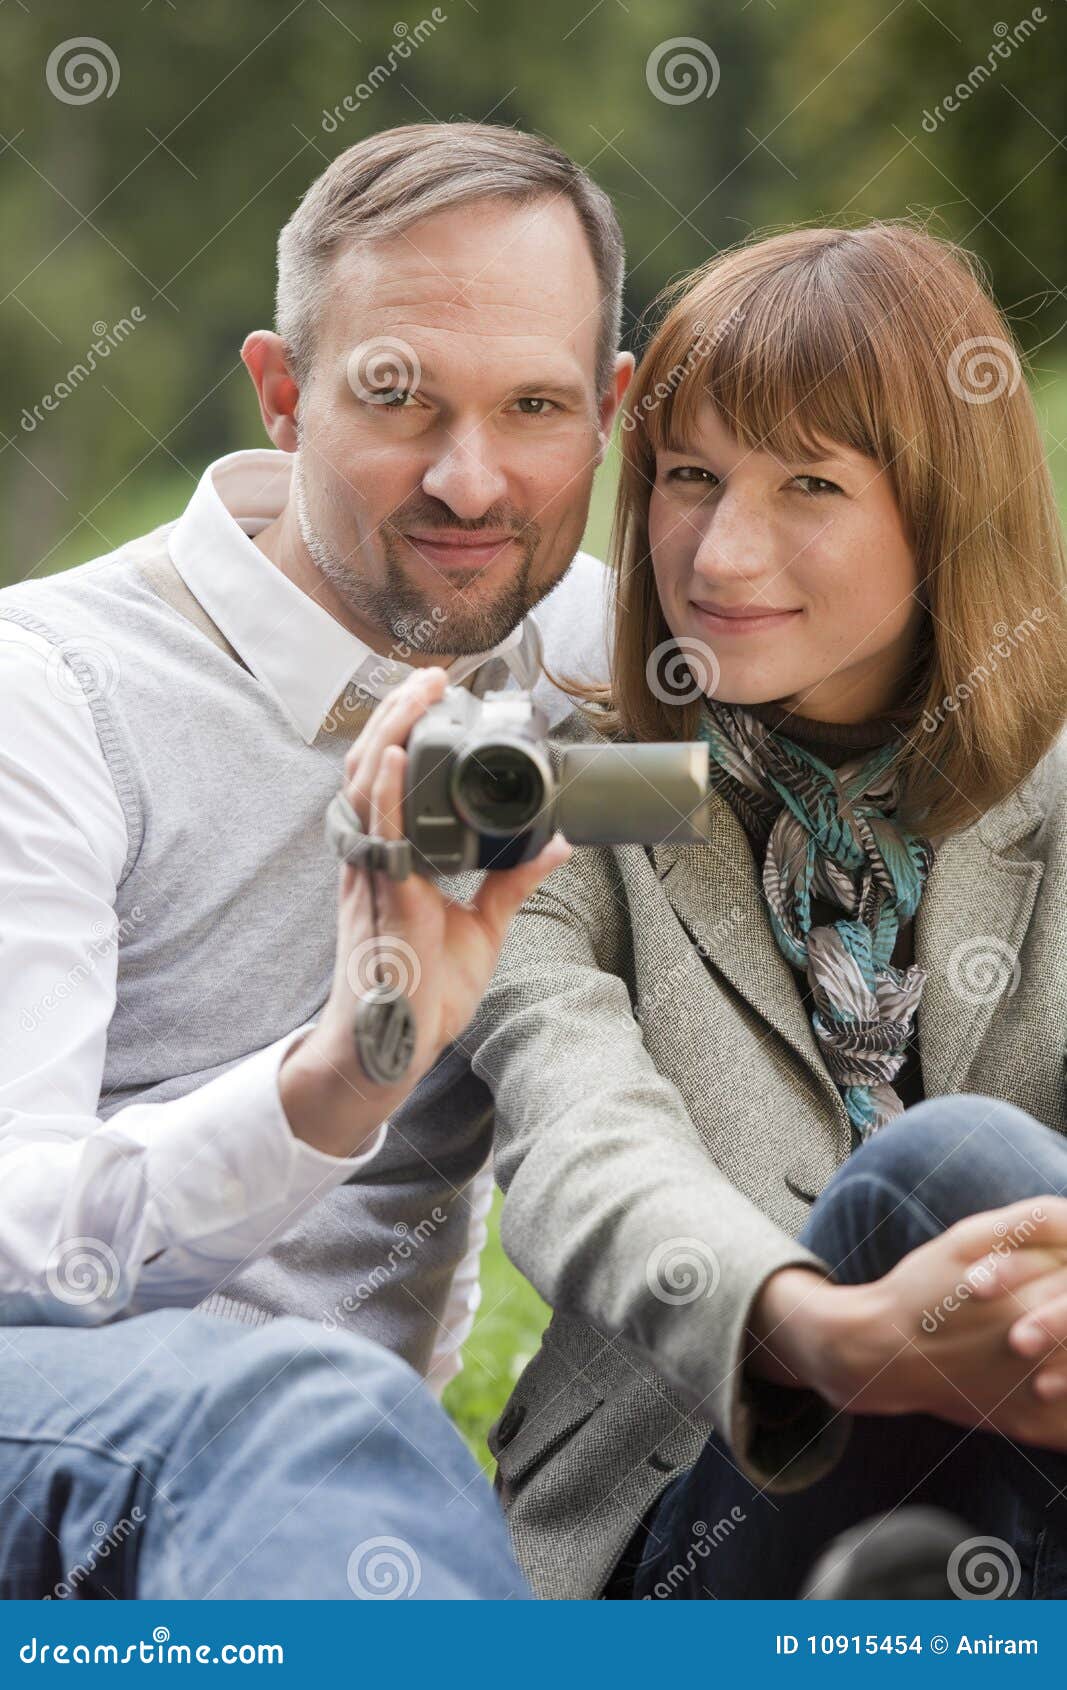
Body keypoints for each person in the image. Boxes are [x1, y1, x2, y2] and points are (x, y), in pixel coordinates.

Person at [410, 221, 1067, 1599]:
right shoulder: (553, 790)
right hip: (692, 1532)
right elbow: (583, 1137)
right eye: (690, 476)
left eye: (808, 484)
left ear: (945, 510)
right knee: (947, 1175)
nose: (717, 549)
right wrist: (814, 1328)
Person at [0, 121, 631, 1386]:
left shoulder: (602, 658)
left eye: (533, 407)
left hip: (387, 1489)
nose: (470, 482)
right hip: (86, 1449)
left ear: (608, 410)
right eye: (398, 397)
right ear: (283, 397)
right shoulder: (51, 691)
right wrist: (337, 1074)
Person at [0, 665, 567, 1599]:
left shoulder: (610, 623)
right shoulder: (58, 680)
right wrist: (327, 1083)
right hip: (180, 1451)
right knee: (300, 1404)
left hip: (334, 1522)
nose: (473, 505)